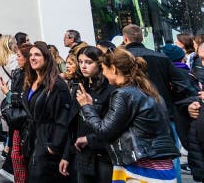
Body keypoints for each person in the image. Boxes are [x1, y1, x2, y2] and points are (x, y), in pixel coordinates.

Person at [75, 48, 179, 183]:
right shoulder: (148, 90)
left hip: (141, 168)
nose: (103, 73)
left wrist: (87, 106)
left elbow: (104, 131)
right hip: (161, 164)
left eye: (103, 68)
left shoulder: (123, 94)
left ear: (113, 69)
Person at [122, 23, 197, 180]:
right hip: (163, 112)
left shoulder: (121, 59)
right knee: (170, 156)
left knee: (137, 160)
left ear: (125, 38)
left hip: (133, 117)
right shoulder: (161, 57)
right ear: (142, 38)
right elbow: (182, 85)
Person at [59, 46, 115, 183]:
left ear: (99, 63)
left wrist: (90, 138)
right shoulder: (80, 87)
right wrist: (66, 155)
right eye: (81, 62)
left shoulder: (110, 90)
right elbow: (73, 125)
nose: (83, 66)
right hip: (82, 154)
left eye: (89, 62)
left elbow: (112, 126)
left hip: (103, 156)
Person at [23, 41, 72, 183]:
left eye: (37, 55)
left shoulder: (57, 85)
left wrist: (53, 146)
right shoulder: (31, 81)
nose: (32, 58)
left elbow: (64, 118)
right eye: (31, 55)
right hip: (33, 141)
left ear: (46, 58)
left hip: (48, 143)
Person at [0, 43, 32, 183]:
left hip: (24, 121)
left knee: (19, 154)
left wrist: (8, 94)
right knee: (16, 153)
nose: (16, 58)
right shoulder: (19, 72)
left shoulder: (29, 76)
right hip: (18, 120)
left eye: (18, 56)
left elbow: (24, 99)